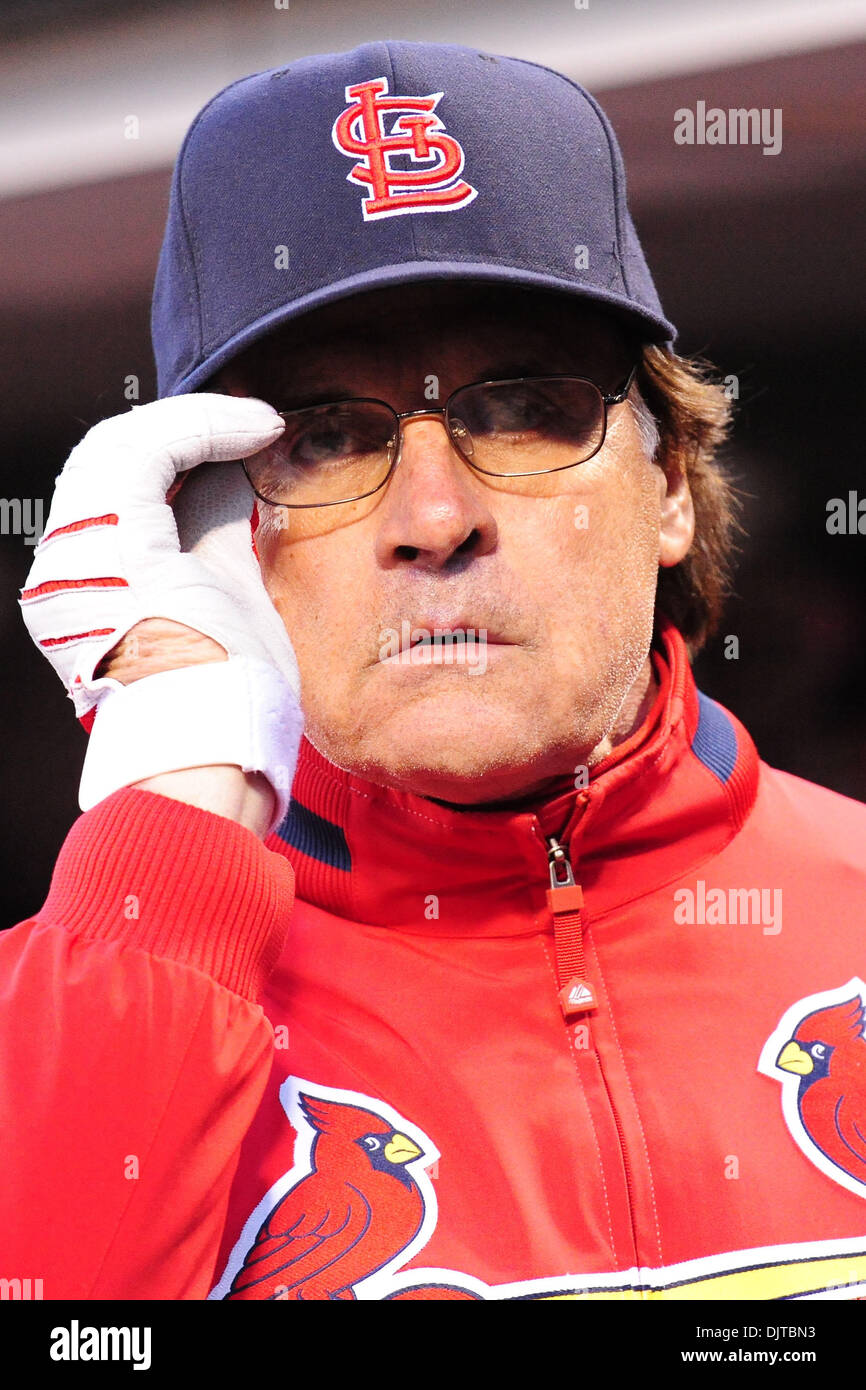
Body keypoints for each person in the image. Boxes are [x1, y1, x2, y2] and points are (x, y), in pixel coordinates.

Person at [3, 39, 866, 1303]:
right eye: (323, 435)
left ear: (668, 482)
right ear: (206, 528)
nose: (432, 514)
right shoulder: (68, 1011)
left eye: (521, 407)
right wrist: (173, 794)